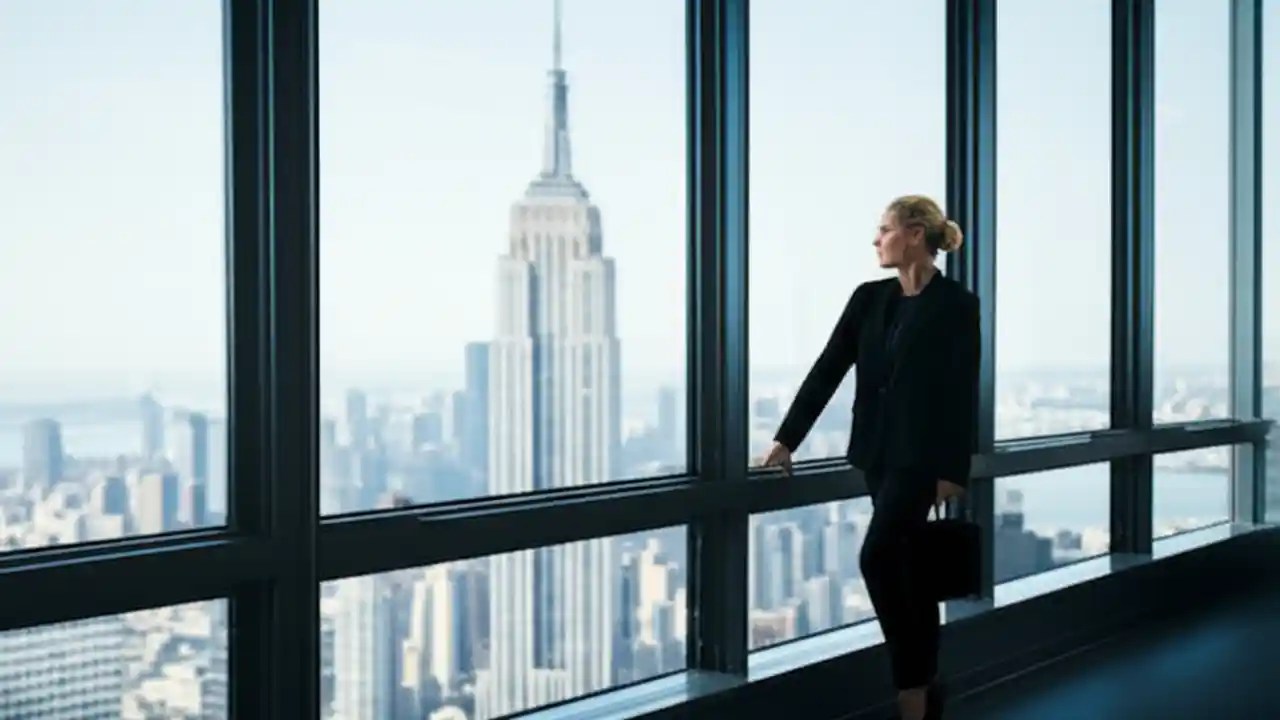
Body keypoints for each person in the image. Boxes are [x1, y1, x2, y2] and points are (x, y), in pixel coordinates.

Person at [760, 195, 979, 720]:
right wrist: (787, 439)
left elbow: (962, 390)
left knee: (876, 556)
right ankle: (927, 687)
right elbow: (828, 368)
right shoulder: (868, 299)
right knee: (911, 573)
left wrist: (954, 469)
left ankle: (911, 691)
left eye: (884, 230)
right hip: (877, 455)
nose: (875, 240)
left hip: (923, 461)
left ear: (915, 236)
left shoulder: (956, 304)